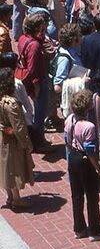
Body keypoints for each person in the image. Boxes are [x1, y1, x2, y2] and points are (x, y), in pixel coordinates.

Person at [64, 89, 100, 239]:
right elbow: (90, 152)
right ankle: (95, 231)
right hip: (85, 161)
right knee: (91, 196)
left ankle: (79, 228)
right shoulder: (89, 126)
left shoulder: (69, 119)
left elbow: (67, 141)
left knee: (76, 195)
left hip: (73, 158)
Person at [0, 67, 33, 211]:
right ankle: (16, 199)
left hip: (2, 139)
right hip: (12, 142)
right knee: (13, 168)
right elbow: (19, 127)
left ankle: (10, 197)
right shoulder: (11, 103)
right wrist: (26, 143)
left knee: (5, 167)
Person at [15, 13, 50, 149]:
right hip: (38, 82)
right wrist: (36, 87)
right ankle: (39, 142)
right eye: (42, 27)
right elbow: (33, 70)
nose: (44, 28)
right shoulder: (34, 45)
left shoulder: (23, 38)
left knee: (37, 111)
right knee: (40, 113)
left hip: (28, 80)